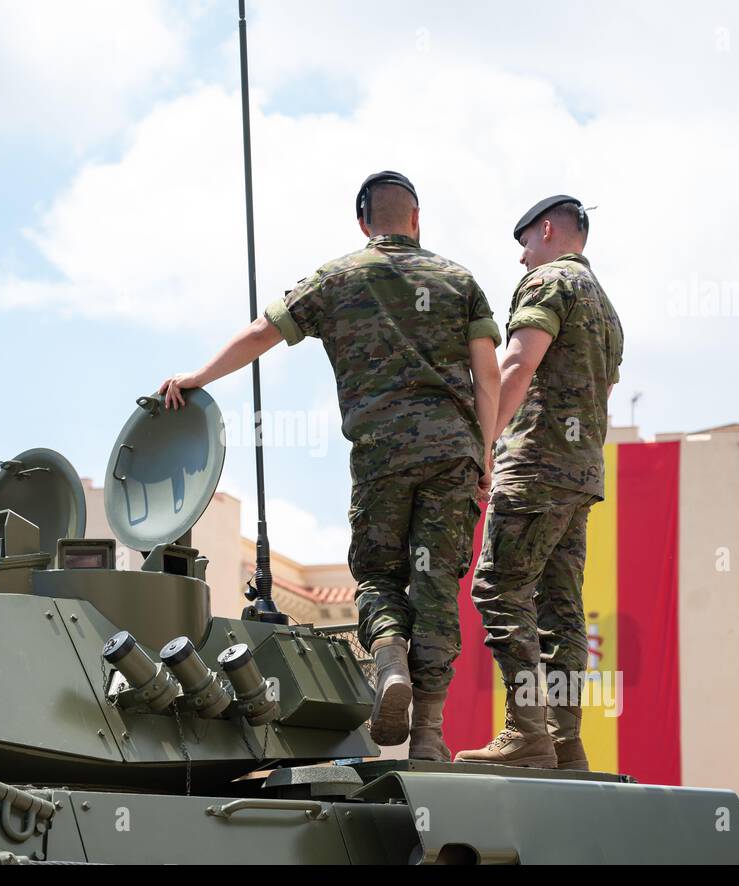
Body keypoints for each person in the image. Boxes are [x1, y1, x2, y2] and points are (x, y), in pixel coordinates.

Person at [160, 171, 502, 759]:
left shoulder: (338, 278)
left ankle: (389, 656)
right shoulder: (459, 281)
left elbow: (262, 333)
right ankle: (428, 734)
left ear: (364, 223)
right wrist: (486, 452)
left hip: (381, 453)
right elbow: (488, 375)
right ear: (416, 219)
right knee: (438, 588)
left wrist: (197, 378)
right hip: (453, 455)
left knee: (377, 578)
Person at [457, 195, 624, 769]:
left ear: (548, 230)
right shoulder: (606, 306)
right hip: (580, 473)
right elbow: (600, 395)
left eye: (524, 243)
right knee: (560, 607)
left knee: (500, 589)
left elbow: (517, 365)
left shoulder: (549, 282)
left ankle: (526, 732)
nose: (522, 259)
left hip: (534, 463)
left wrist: (483, 445)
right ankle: (564, 740)